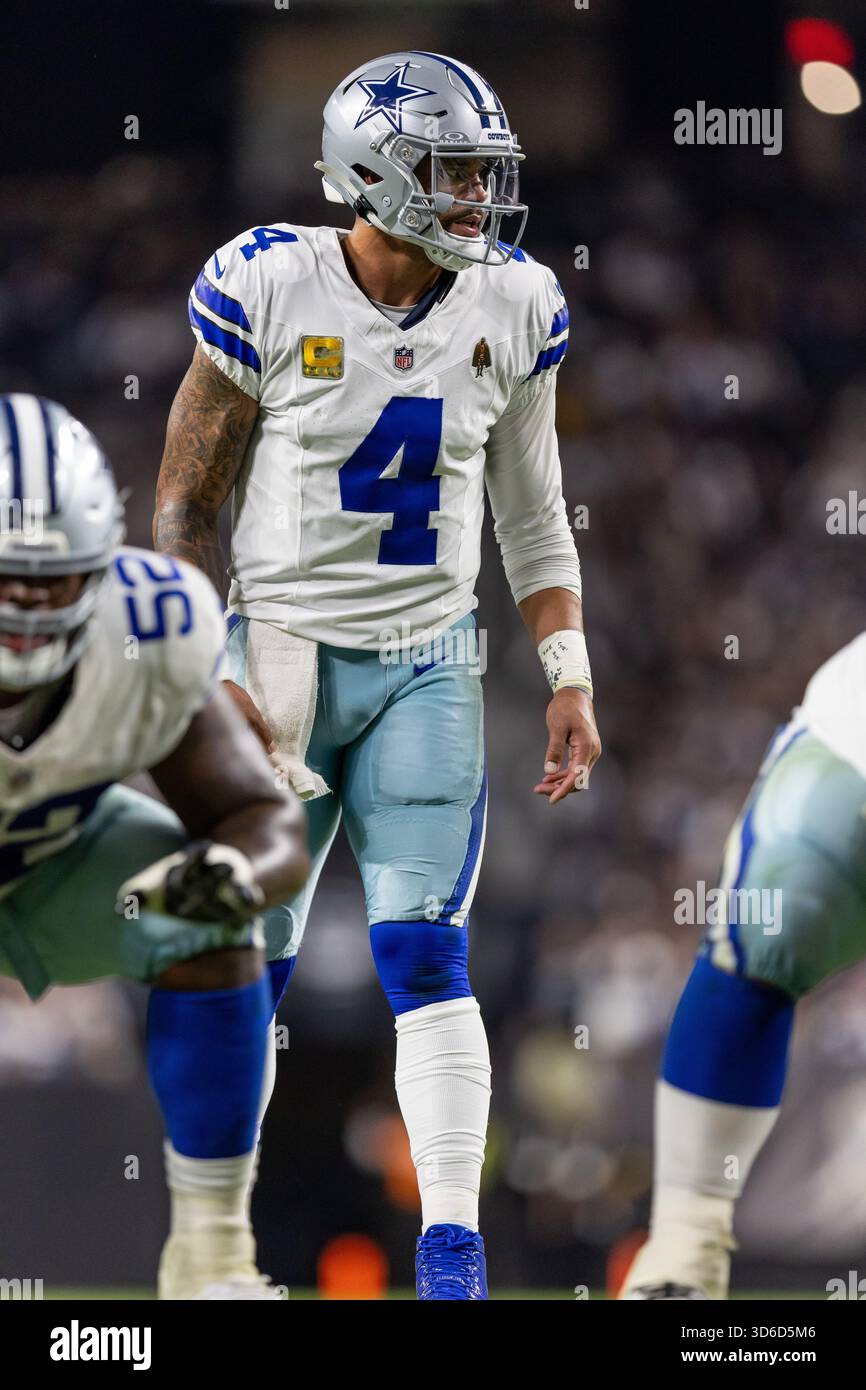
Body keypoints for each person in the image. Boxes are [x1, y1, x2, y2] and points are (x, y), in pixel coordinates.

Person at [154, 51, 600, 1299]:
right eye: (451, 172)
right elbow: (189, 497)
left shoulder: (511, 301)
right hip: (277, 655)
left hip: (427, 660)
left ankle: (450, 1256)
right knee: (248, 959)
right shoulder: (269, 281)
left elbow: (535, 513)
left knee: (425, 958)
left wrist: (565, 668)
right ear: (369, 168)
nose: (473, 199)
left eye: (480, 174)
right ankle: (213, 1246)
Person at [0, 393, 308, 1300]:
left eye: (48, 578)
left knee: (212, 915)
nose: (21, 607)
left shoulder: (147, 629)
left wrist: (221, 880)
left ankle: (210, 1259)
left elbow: (260, 820)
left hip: (55, 866)